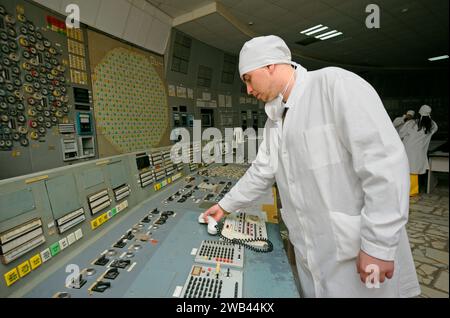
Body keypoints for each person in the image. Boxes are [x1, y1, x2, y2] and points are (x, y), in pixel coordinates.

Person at [202, 35, 419, 298]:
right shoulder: (275, 119)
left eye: (248, 78)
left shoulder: (334, 85)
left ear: (270, 65)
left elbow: (384, 165)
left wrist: (378, 246)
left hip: (356, 250)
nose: (248, 90)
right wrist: (224, 206)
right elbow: (261, 171)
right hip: (311, 252)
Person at [399, 105, 438, 195]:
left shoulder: (411, 123)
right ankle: (413, 190)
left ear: (419, 113)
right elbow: (436, 126)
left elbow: (401, 134)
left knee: (406, 170)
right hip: (419, 152)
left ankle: (407, 191)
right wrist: (428, 117)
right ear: (429, 114)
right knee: (414, 170)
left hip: (408, 150)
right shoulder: (430, 126)